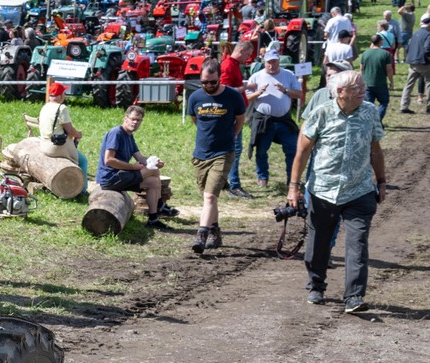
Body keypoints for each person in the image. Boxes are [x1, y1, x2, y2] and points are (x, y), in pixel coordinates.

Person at [288, 62, 385, 312]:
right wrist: (294, 187)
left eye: (363, 86)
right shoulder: (321, 113)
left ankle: (354, 296)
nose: (363, 90)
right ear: (340, 91)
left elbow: (375, 149)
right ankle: (316, 285)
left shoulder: (370, 112)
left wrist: (381, 181)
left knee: (358, 244)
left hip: (359, 190)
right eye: (357, 87)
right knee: (318, 244)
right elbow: (302, 152)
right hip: (323, 190)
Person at [184, 51, 246, 254]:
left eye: (212, 82)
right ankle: (215, 232)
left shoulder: (232, 96)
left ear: (220, 77)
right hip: (201, 155)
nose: (208, 86)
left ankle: (201, 236)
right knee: (208, 198)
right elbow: (195, 120)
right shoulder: (195, 97)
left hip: (223, 153)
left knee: (210, 197)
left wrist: (234, 135)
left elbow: (240, 118)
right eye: (204, 82)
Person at [95, 103, 169, 223]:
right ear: (125, 118)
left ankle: (153, 218)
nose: (135, 122)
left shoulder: (129, 136)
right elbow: (108, 160)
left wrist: (156, 162)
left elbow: (141, 158)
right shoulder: (116, 133)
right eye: (133, 119)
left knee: (154, 182)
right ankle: (161, 205)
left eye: (138, 120)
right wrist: (132, 167)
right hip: (110, 178)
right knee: (153, 171)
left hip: (121, 176)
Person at [244, 54, 299, 188]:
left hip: (284, 120)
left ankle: (291, 179)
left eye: (274, 62)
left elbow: (299, 94)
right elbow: (246, 97)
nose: (271, 65)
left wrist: (285, 90)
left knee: (292, 149)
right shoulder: (256, 76)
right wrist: (258, 93)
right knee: (261, 150)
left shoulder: (288, 75)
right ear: (264, 62)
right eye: (269, 62)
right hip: (264, 119)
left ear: (279, 61)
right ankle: (262, 176)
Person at [401, 15, 430, 113]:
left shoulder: (415, 33)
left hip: (413, 63)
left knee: (409, 85)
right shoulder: (428, 35)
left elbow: (408, 47)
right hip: (425, 63)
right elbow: (427, 50)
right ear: (429, 24)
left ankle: (403, 106)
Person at [357, 30, 395, 119]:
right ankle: (377, 120)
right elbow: (389, 70)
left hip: (367, 83)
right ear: (381, 42)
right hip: (380, 83)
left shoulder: (365, 54)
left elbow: (361, 69)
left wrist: (361, 82)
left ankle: (369, 121)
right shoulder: (386, 54)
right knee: (384, 102)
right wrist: (391, 81)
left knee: (368, 104)